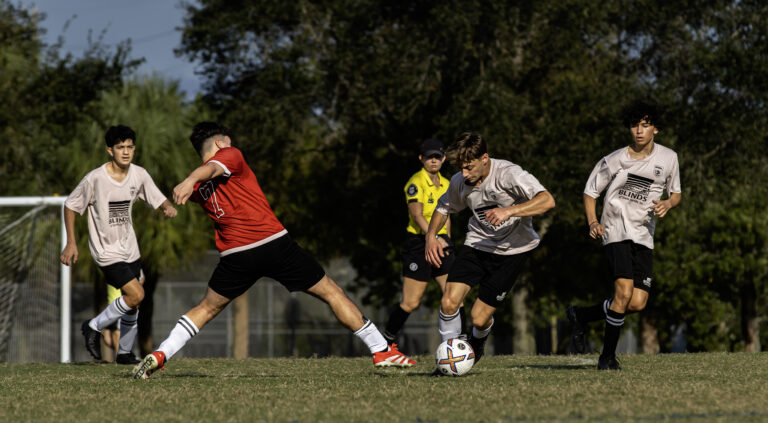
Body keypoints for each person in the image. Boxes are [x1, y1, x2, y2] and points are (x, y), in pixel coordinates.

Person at [133, 122, 414, 379]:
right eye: (228, 143)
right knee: (331, 292)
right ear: (221, 144)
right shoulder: (231, 155)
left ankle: (160, 354)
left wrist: (186, 185)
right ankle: (381, 349)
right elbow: (211, 169)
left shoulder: (199, 189)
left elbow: (205, 177)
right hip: (272, 244)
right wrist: (191, 178)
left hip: (236, 257)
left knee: (206, 308)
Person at [425, 132, 555, 374]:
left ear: (485, 158)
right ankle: (447, 359)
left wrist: (510, 211)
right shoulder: (459, 181)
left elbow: (547, 200)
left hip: (514, 251)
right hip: (477, 245)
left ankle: (478, 342)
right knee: (448, 301)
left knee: (479, 318)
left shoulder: (509, 174)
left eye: (470, 167)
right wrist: (431, 237)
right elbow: (444, 207)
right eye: (461, 168)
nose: (465, 174)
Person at [566, 101, 681, 370]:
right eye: (634, 125)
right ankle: (607, 357)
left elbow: (675, 193)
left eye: (645, 125)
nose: (639, 131)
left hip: (644, 232)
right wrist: (593, 221)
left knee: (637, 302)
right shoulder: (614, 159)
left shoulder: (669, 158)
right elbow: (590, 192)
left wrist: (668, 203)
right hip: (616, 228)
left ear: (656, 129)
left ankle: (581, 315)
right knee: (624, 291)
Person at [60, 125, 177, 363]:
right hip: (107, 252)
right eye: (120, 147)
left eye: (129, 147)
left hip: (130, 250)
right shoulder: (95, 179)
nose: (126, 152)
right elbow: (71, 205)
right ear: (109, 151)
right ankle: (93, 326)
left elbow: (156, 196)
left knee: (132, 304)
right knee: (136, 295)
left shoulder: (139, 174)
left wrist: (166, 206)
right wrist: (71, 243)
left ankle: (124, 353)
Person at [382, 138, 466, 346]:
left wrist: (447, 240)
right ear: (421, 159)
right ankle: (385, 342)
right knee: (410, 303)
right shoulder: (415, 183)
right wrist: (434, 237)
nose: (434, 161)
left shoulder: (448, 184)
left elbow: (447, 216)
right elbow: (418, 216)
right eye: (429, 157)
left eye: (437, 157)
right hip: (419, 245)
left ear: (444, 158)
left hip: (442, 244)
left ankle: (462, 342)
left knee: (455, 297)